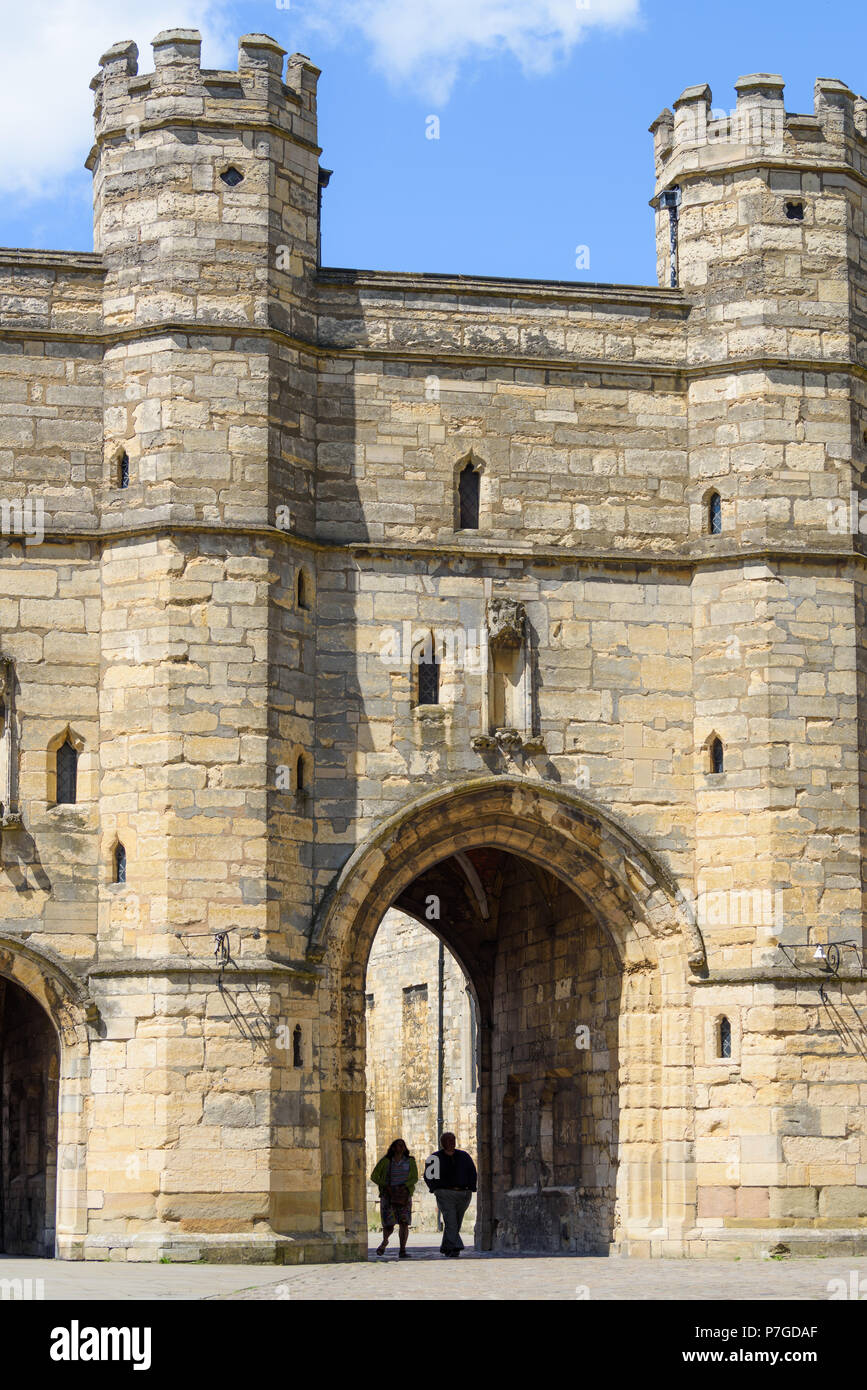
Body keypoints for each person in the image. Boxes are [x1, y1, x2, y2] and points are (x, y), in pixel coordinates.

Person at [423, 1131, 477, 1257]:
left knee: (456, 1222)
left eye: (453, 1140)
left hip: (463, 1193)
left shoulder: (464, 1156)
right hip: (445, 1193)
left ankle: (447, 1247)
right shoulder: (435, 1158)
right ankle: (456, 1247)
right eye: (448, 1140)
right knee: (451, 1220)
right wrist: (435, 1189)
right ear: (442, 1143)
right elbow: (428, 1176)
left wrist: (471, 1188)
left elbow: (472, 1172)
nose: (451, 1143)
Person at [370, 1137, 418, 1258]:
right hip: (389, 1195)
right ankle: (385, 1241)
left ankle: (402, 1249)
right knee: (389, 1223)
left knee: (404, 1222)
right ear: (393, 1148)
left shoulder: (410, 1161)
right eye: (398, 1145)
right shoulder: (386, 1161)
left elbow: (414, 1178)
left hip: (403, 1195)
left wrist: (405, 1186)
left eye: (403, 1145)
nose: (401, 1147)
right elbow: (374, 1176)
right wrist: (386, 1186)